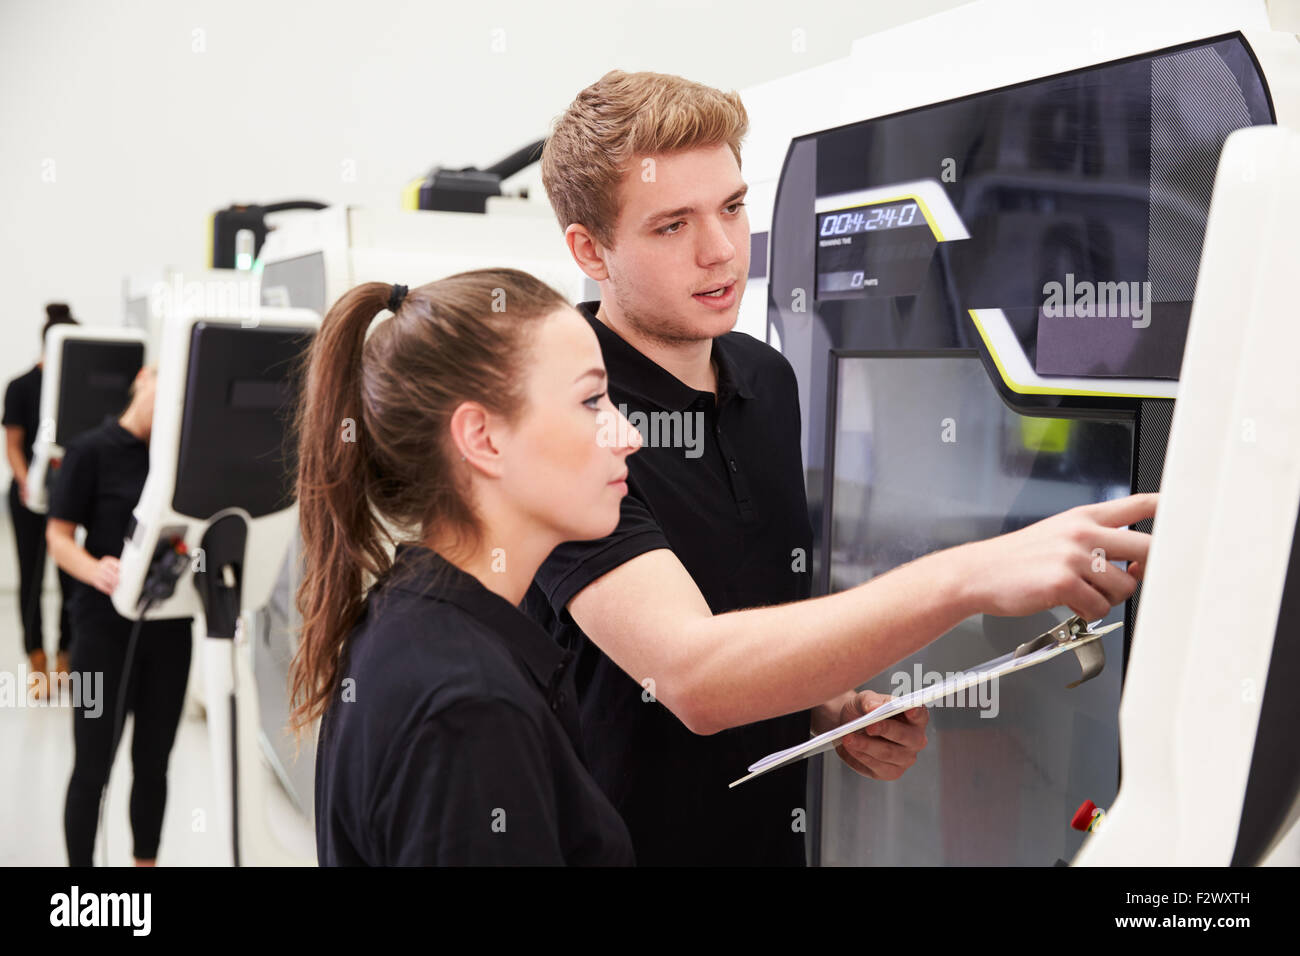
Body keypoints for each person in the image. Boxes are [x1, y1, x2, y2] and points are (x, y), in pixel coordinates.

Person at [522, 70, 1158, 865]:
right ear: (590, 249)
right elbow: (691, 678)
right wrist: (970, 575)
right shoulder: (568, 417)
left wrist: (830, 705)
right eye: (671, 225)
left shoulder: (766, 378)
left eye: (731, 206)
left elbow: (751, 604)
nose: (721, 249)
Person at [293, 270, 640, 865]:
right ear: (481, 438)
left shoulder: (410, 622)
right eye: (590, 400)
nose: (629, 434)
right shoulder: (472, 712)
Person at [47, 366, 193, 866]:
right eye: (168, 386)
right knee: (92, 767)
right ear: (144, 378)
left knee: (153, 765)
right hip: (99, 633)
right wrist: (94, 569)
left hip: (170, 631)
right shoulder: (89, 451)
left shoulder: (178, 460)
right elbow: (58, 537)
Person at [4, 303, 79, 695]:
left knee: (70, 578)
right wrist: (26, 481)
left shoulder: (77, 389)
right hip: (28, 498)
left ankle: (66, 654)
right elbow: (13, 444)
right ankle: (36, 660)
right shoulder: (21, 387)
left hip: (70, 499)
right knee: (31, 578)